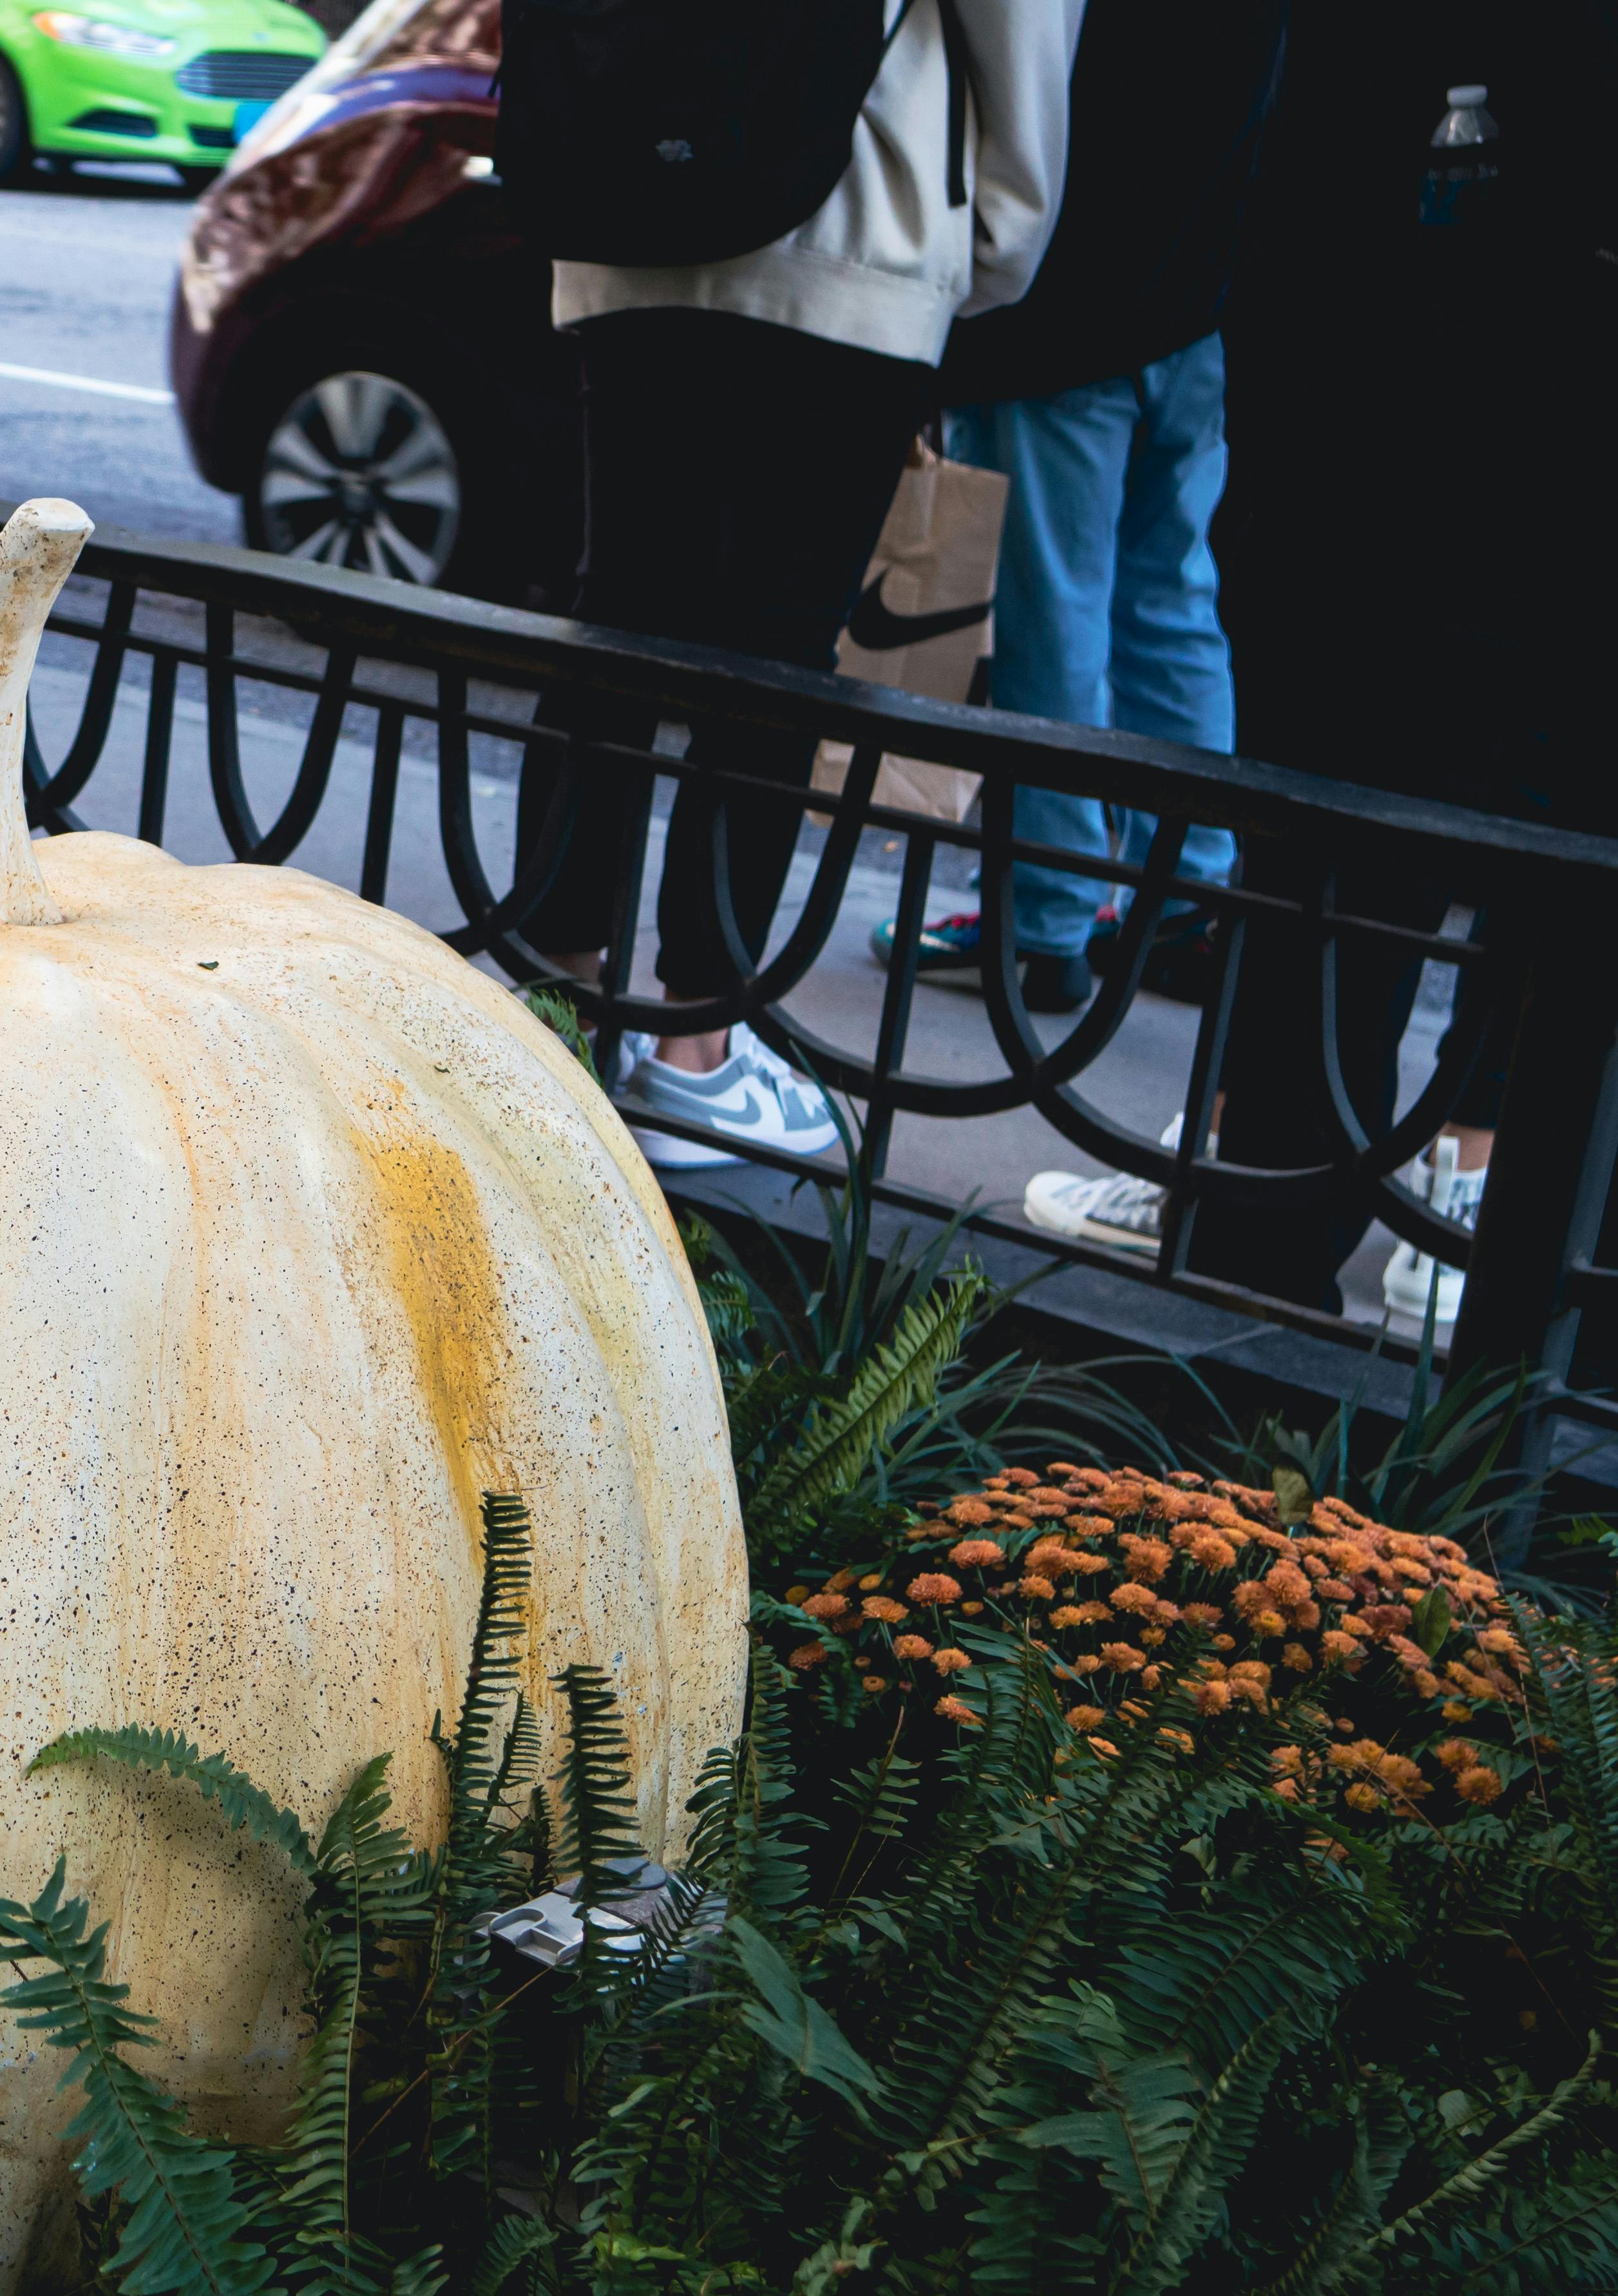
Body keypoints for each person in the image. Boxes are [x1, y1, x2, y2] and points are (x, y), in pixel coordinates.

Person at [1029, 0, 1616, 1327]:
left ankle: (1397, 1193)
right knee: (1373, 822)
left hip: (1442, 361)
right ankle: (1311, 1188)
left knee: (1439, 822)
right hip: (1388, 359)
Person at [512, 0, 1087, 1168]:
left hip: (628, 205)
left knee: (616, 610)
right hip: (854, 218)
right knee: (773, 651)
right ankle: (697, 1050)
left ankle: (551, 1010)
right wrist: (997, 237)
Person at [879, 0, 1288, 1018]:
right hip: (1198, 307)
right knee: (1173, 600)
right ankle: (1185, 897)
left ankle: (1044, 923)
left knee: (1047, 623)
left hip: (1059, 315)